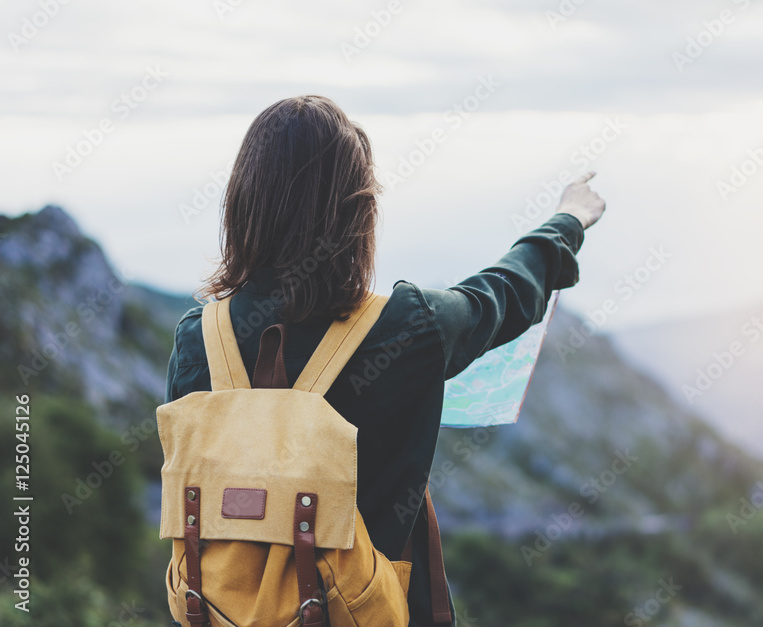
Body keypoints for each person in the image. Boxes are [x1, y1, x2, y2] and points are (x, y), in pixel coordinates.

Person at [164, 94, 605, 626]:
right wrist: (568, 219)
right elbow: (505, 293)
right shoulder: (407, 328)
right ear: (357, 213)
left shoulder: (197, 339)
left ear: (242, 204)